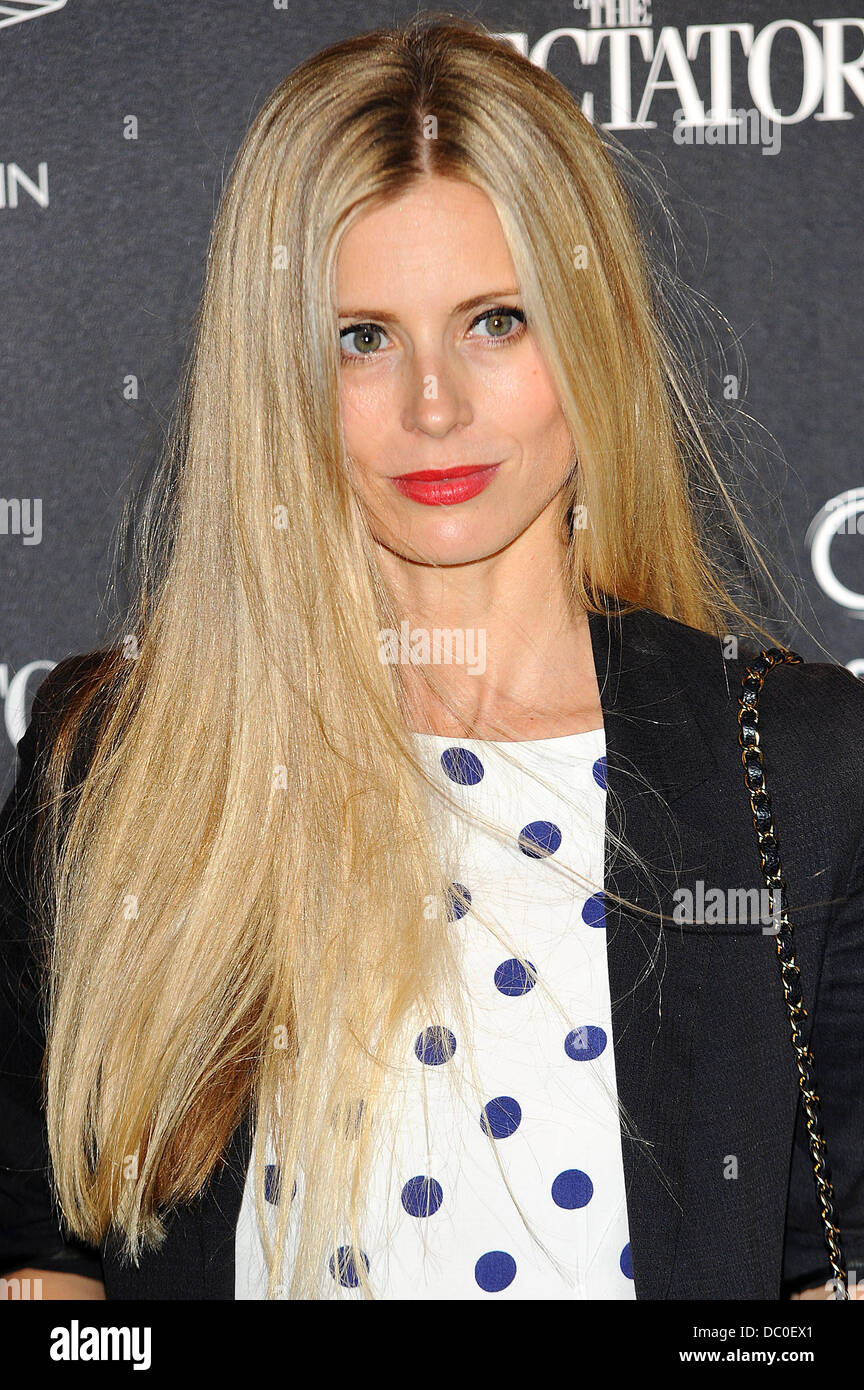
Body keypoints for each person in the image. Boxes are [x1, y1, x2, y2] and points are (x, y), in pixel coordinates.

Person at [2, 14, 863, 1302]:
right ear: (275, 371)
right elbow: (45, 1258)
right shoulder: (122, 764)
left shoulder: (794, 769)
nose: (434, 406)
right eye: (363, 338)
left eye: (496, 321)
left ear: (591, 332)